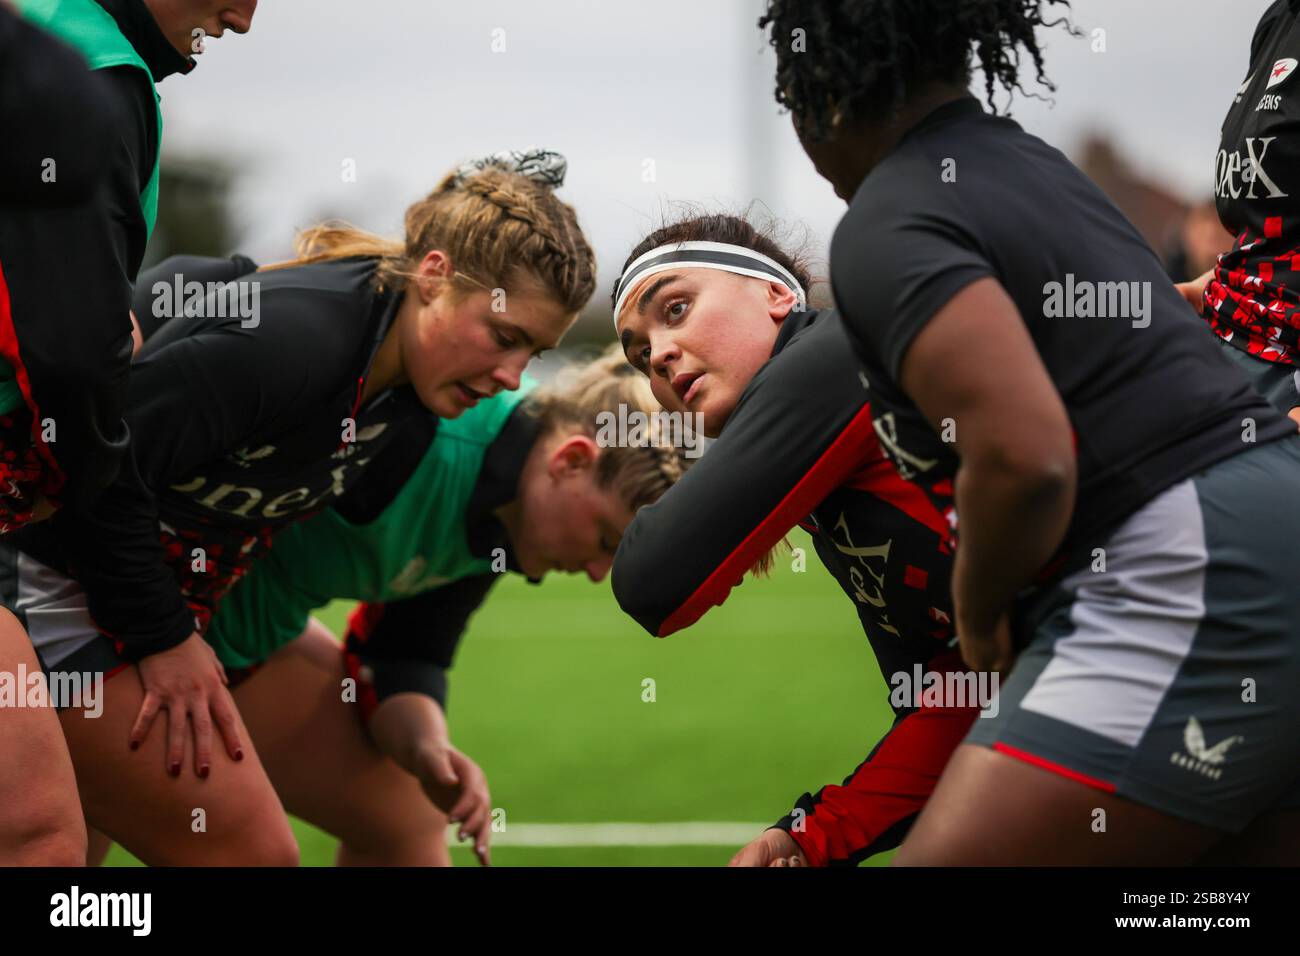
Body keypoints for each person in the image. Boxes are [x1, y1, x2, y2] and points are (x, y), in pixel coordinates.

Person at [761, 0, 1300, 864]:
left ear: (810, 96)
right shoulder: (1030, 165)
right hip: (1265, 513)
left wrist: (981, 616)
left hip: (1192, 562)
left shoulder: (885, 222)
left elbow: (1027, 459)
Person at [1, 153, 596, 865]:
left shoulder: (409, 394)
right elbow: (94, 468)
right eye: (505, 337)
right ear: (434, 274)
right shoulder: (301, 341)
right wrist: (162, 638)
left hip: (125, 600)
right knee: (96, 852)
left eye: (534, 351)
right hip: (47, 579)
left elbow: (404, 643)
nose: (512, 376)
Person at [79, 346, 686, 867]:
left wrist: (429, 749)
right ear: (571, 460)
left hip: (239, 646)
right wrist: (155, 628)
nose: (599, 573)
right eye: (608, 539)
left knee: (408, 825)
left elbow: (401, 654)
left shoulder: (508, 514)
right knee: (91, 848)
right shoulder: (420, 431)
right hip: (121, 627)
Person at [611, 214, 977, 867]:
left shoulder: (836, 357)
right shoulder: (828, 491)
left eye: (677, 308)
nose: (659, 355)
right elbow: (961, 700)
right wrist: (806, 838)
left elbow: (652, 582)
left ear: (779, 296)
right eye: (639, 354)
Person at [0, 0, 255, 866]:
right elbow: (76, 374)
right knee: (38, 837)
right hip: (35, 546)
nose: (245, 19)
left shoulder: (52, 34)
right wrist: (155, 629)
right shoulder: (94, 77)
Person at [1175, 0, 1300, 425]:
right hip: (1230, 344)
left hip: (1284, 373)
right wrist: (1202, 288)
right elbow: (1274, 230)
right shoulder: (1279, 19)